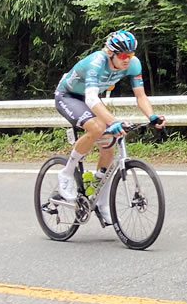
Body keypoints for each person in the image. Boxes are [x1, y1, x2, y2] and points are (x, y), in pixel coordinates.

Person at [54, 30, 165, 225]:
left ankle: (100, 200)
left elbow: (140, 95)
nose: (127, 60)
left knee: (109, 145)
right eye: (123, 56)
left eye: (130, 55)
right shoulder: (97, 62)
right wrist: (113, 121)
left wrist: (152, 116)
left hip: (92, 99)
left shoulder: (133, 64)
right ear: (110, 53)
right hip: (70, 96)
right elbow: (90, 98)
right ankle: (66, 173)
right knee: (97, 128)